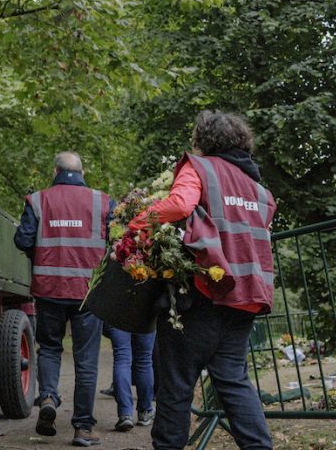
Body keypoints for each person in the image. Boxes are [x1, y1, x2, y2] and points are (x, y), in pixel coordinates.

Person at [128, 110, 276, 450]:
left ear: (203, 141)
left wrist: (136, 224)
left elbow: (180, 204)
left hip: (202, 294)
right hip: (247, 297)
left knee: (177, 384)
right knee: (233, 381)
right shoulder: (258, 189)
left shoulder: (200, 168)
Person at [14, 151, 114, 448]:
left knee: (50, 349)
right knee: (86, 361)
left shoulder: (38, 200)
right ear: (81, 172)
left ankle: (47, 397)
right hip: (89, 294)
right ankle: (83, 429)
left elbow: (22, 240)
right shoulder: (103, 202)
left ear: (55, 170)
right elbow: (119, 241)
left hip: (49, 290)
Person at [109, 325, 155, 431]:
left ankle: (125, 414)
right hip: (145, 314)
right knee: (144, 359)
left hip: (117, 314)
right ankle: (145, 412)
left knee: (121, 358)